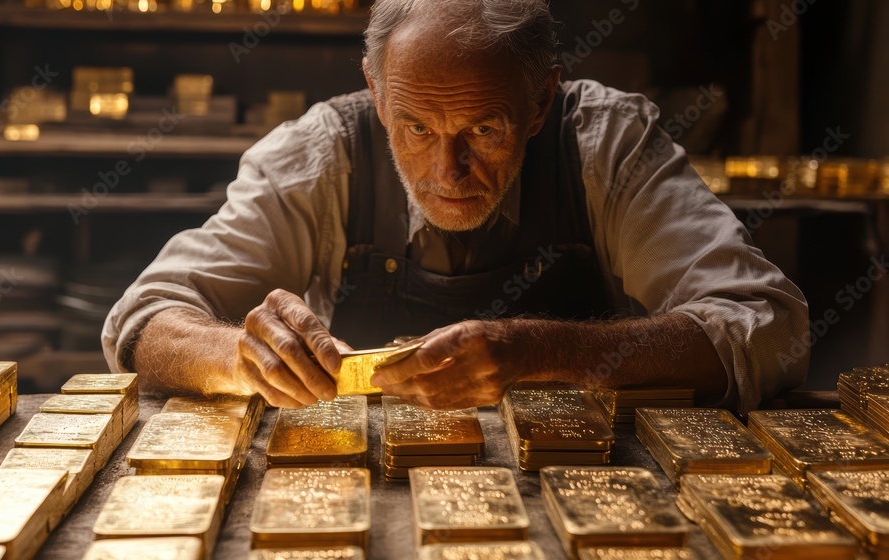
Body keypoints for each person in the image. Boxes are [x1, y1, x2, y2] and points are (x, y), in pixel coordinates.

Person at [102, 0, 809, 414]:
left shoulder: (605, 144)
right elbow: (145, 317)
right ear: (377, 95)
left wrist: (545, 352)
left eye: (484, 130)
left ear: (539, 103)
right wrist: (240, 356)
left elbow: (770, 323)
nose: (449, 171)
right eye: (415, 128)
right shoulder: (320, 154)